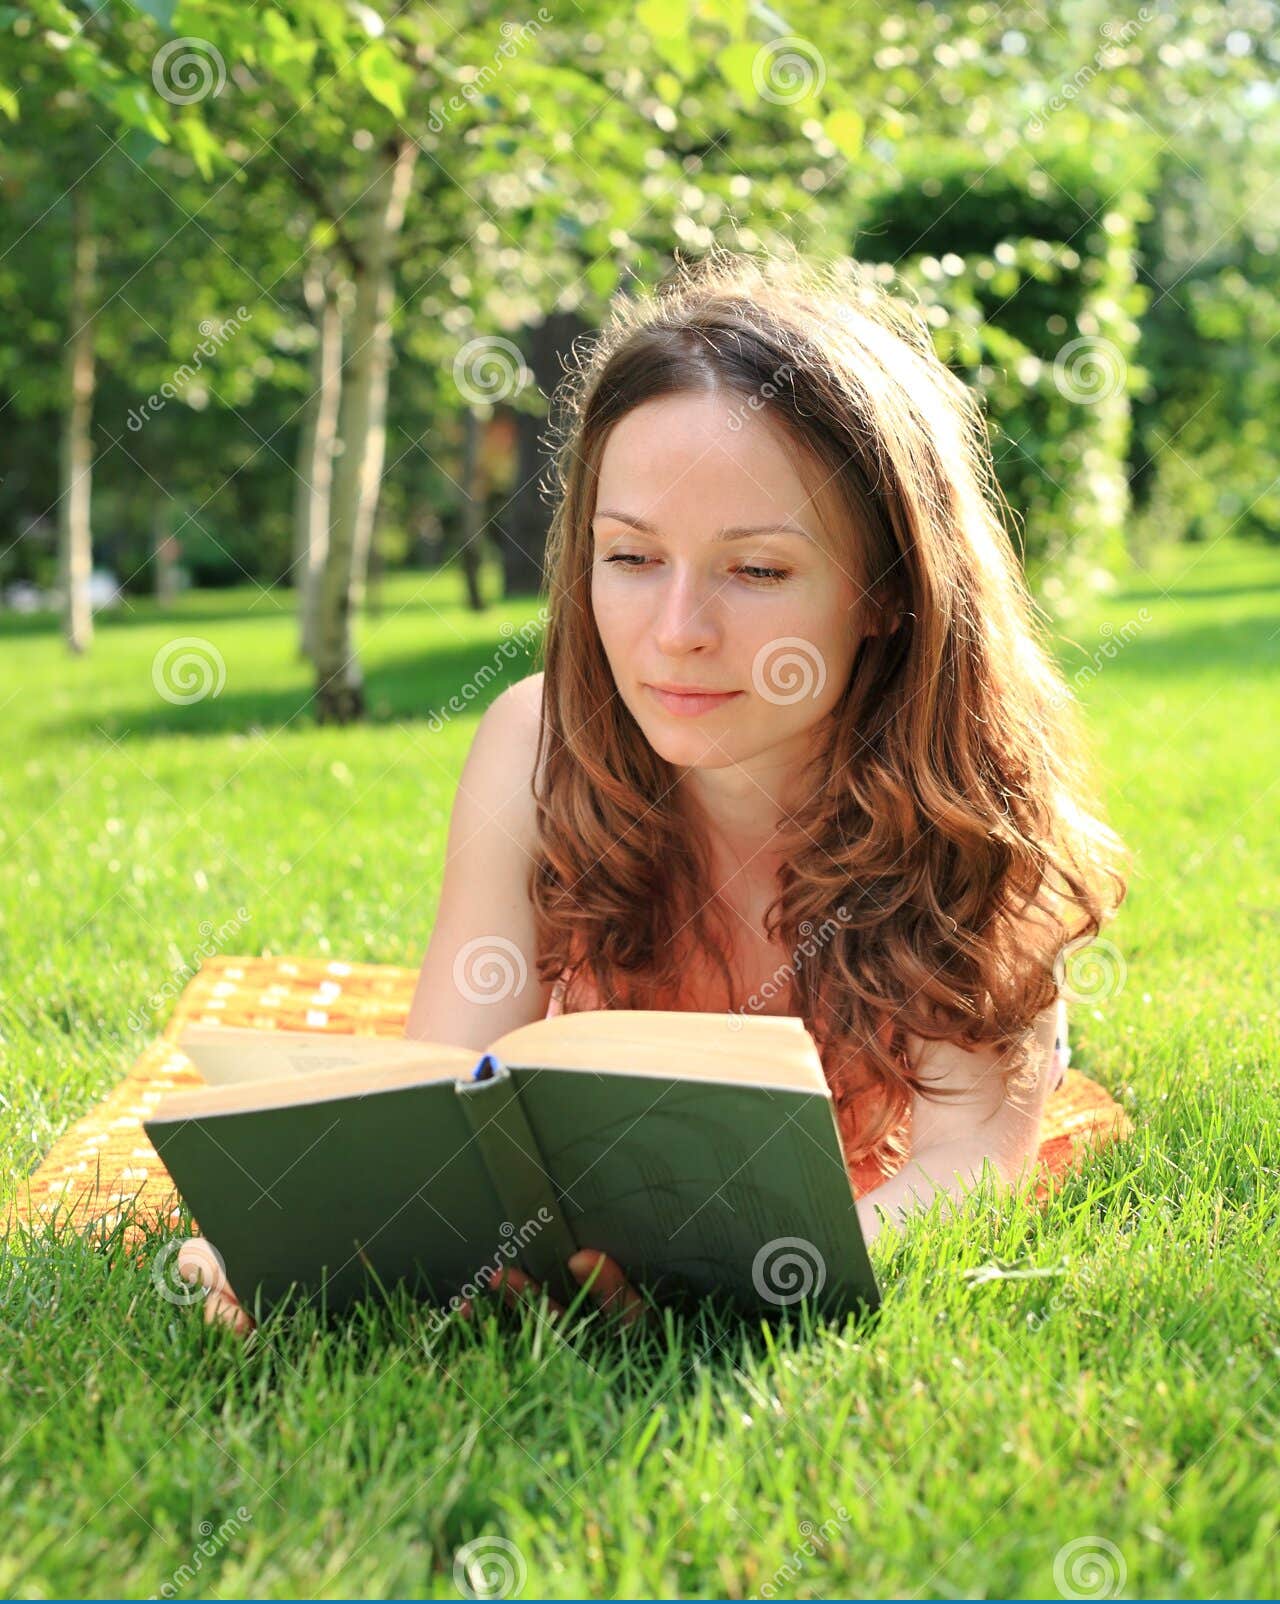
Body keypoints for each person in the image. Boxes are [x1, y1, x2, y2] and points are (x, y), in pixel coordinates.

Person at [180, 244, 1127, 1335]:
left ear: (887, 592)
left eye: (757, 570)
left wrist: (719, 1296)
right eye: (630, 558)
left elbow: (966, 1165)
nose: (676, 633)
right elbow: (440, 1090)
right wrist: (317, 1232)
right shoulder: (535, 743)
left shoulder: (972, 805)